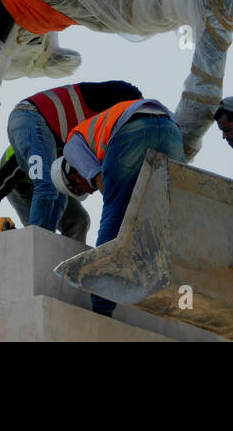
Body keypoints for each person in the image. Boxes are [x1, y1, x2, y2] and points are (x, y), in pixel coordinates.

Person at [52, 97, 185, 315]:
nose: (90, 191)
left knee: (114, 223)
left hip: (133, 130)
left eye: (81, 188)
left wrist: (99, 180)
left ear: (72, 174)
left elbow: (100, 180)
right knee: (172, 219)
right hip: (171, 130)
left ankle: (102, 305)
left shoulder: (72, 146)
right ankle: (184, 299)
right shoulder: (93, 138)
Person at [0, 81, 142, 242]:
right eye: (84, 187)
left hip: (45, 135)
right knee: (48, 186)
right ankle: (38, 248)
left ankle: (54, 256)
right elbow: (9, 171)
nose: (91, 189)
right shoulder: (72, 146)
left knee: (70, 209)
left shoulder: (76, 148)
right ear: (76, 176)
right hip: (29, 116)